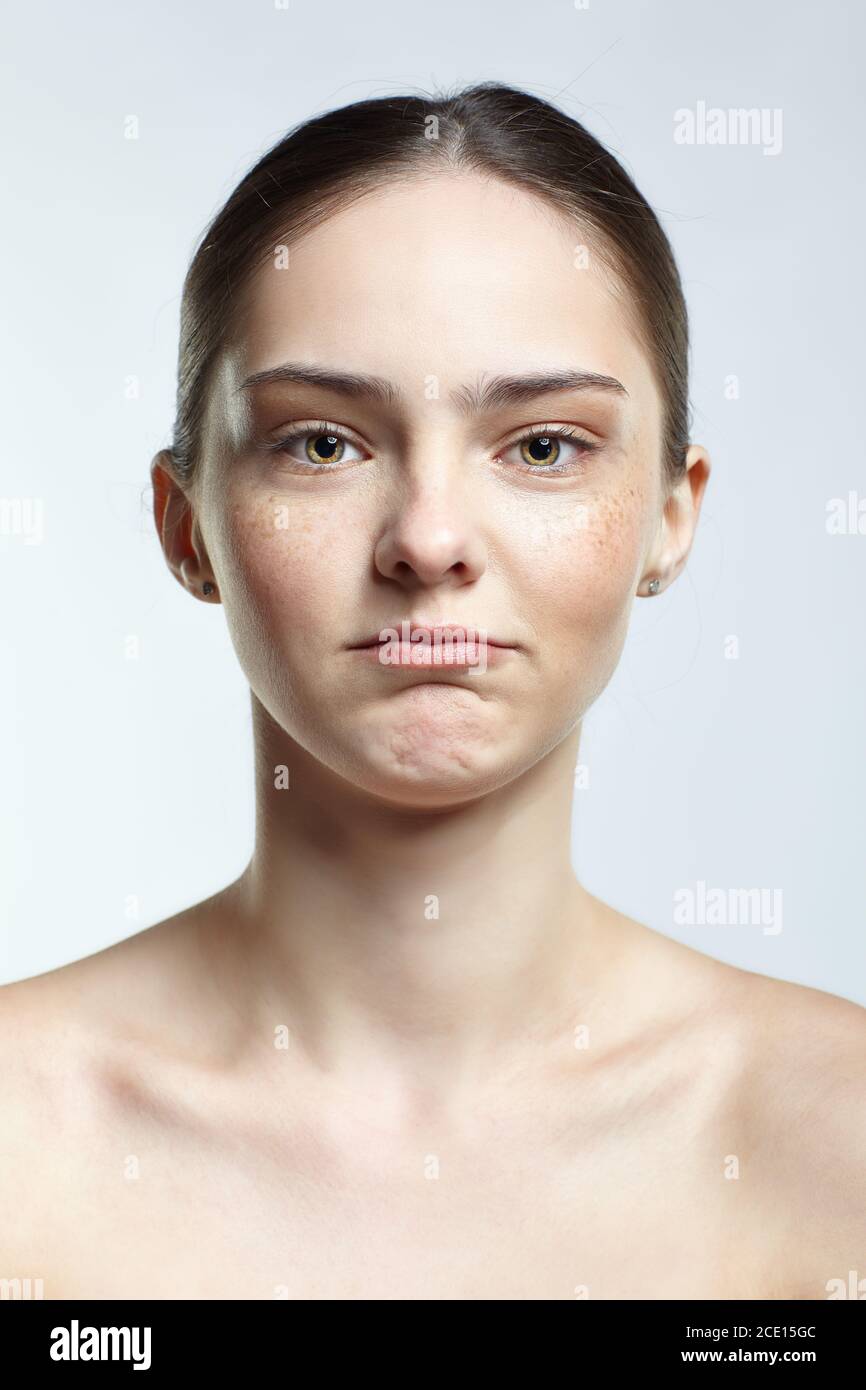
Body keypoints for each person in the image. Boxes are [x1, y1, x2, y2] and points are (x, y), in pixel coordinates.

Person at [2, 82, 864, 1301]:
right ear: (184, 523)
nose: (426, 538)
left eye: (543, 445)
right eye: (321, 442)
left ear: (670, 519)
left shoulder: (839, 1146)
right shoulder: (18, 1149)